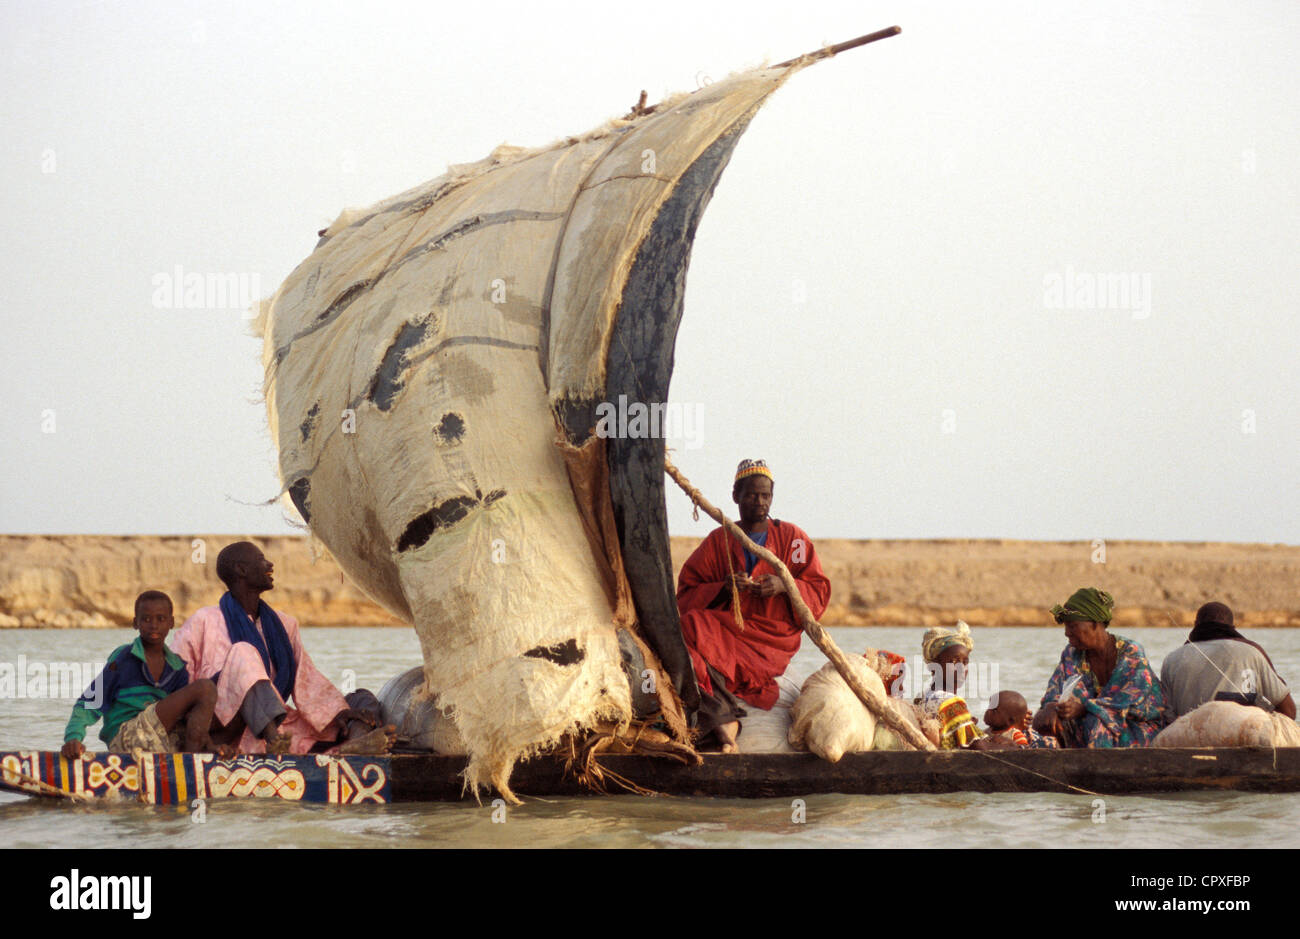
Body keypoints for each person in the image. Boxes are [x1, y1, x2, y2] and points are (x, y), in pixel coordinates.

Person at [169, 541, 385, 754]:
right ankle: (273, 738)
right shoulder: (204, 620)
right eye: (262, 560)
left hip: (275, 715)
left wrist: (336, 712)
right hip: (220, 722)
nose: (270, 565)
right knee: (243, 651)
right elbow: (176, 678)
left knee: (361, 699)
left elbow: (306, 678)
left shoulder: (285, 624)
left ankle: (354, 747)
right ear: (241, 569)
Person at [676, 459, 831, 752]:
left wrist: (785, 586)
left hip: (772, 639)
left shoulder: (793, 539)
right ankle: (723, 718)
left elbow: (819, 590)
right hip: (731, 630)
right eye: (751, 495)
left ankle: (722, 724)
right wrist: (724, 587)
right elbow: (686, 594)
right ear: (736, 496)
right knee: (689, 627)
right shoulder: (718, 541)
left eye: (765, 495)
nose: (759, 502)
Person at [62, 590, 230, 758]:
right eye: (146, 619)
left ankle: (201, 754)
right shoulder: (123, 659)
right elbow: (90, 701)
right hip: (126, 737)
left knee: (220, 701)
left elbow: (187, 718)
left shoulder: (177, 668)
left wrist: (210, 743)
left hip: (160, 739)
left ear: (171, 622)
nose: (154, 625)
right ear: (136, 623)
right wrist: (73, 738)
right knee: (205, 688)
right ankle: (190, 762)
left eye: (161, 619)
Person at [1033, 587, 1169, 747]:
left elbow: (1126, 702)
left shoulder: (1131, 651)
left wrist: (1084, 708)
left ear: (1095, 624)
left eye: (1073, 626)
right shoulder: (1072, 654)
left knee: (1097, 722)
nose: (1067, 633)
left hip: (1135, 727)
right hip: (1088, 728)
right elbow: (1055, 691)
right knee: (1044, 728)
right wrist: (1051, 707)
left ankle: (1095, 769)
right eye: (1066, 626)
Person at [1160, 601, 1295, 719]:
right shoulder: (1251, 652)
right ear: (1232, 626)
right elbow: (1289, 711)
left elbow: (1168, 716)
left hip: (1188, 740)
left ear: (1195, 625)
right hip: (1244, 739)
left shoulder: (1171, 659)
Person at [917, 621, 987, 749]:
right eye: (953, 661)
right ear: (934, 666)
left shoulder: (923, 696)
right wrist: (1016, 747)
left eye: (965, 662)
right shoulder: (950, 702)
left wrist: (966, 725)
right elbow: (980, 748)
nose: (961, 668)